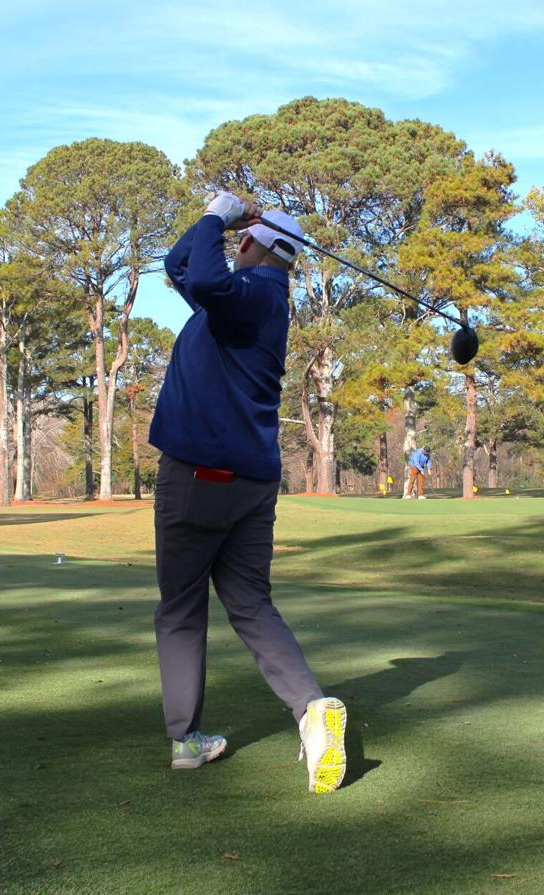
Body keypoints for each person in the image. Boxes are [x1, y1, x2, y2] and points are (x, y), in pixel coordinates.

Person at [148, 191, 347, 794]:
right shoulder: (243, 302)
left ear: (255, 249)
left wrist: (215, 213)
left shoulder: (253, 293)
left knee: (181, 608)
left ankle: (185, 740)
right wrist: (217, 221)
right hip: (250, 483)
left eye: (244, 239)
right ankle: (311, 712)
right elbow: (181, 267)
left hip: (202, 477)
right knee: (251, 604)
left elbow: (203, 275)